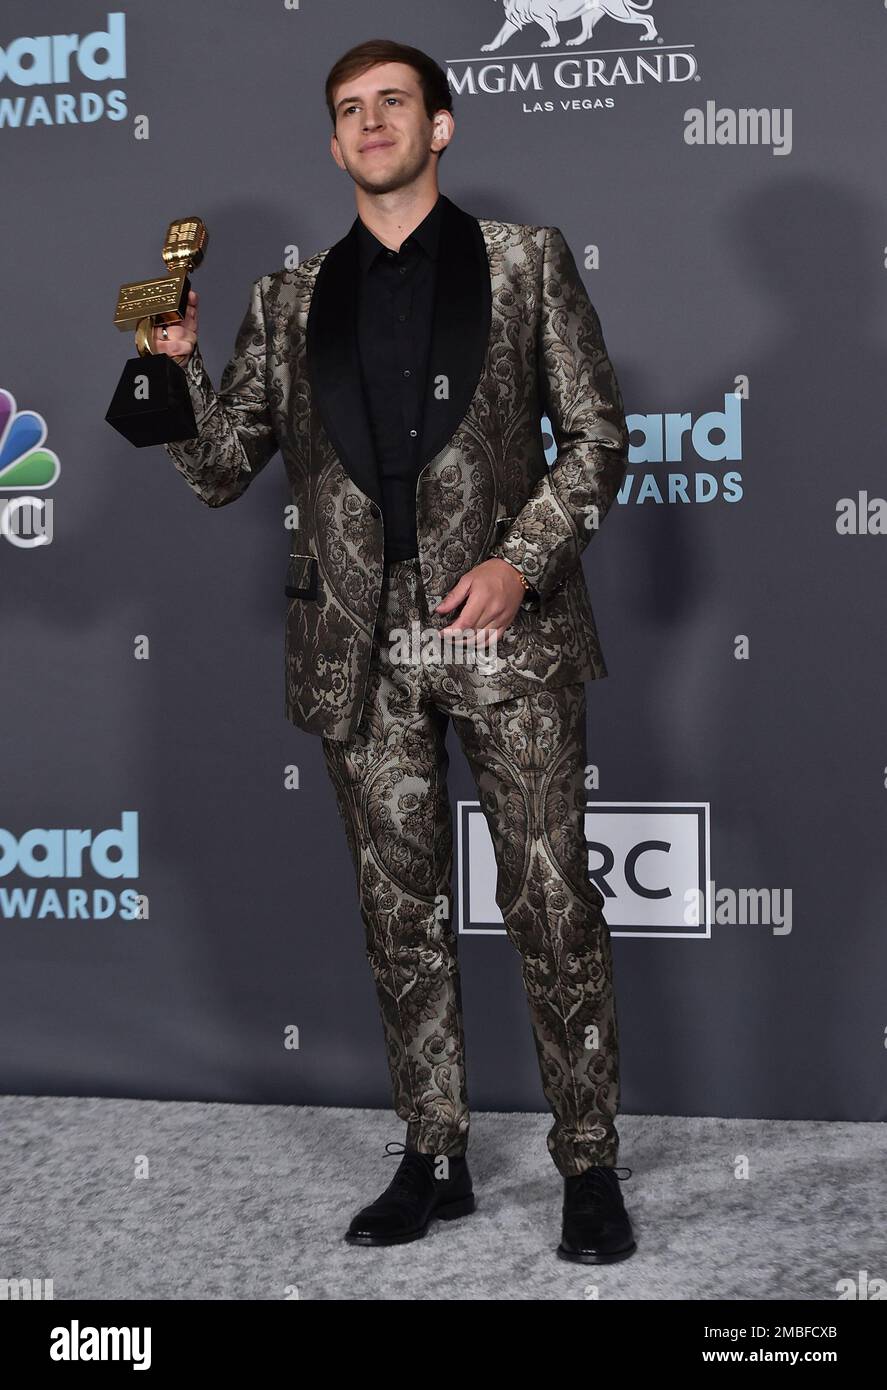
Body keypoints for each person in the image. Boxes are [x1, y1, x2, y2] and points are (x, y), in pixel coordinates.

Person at [152, 37, 635, 1264]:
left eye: (392, 104)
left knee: (551, 905)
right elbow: (216, 471)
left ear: (442, 125)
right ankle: (434, 1157)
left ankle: (587, 1166)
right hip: (356, 653)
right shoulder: (288, 298)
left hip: (504, 634)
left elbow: (594, 438)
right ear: (331, 143)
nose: (370, 124)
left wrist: (519, 558)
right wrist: (168, 370)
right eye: (348, 111)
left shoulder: (526, 264)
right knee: (396, 917)